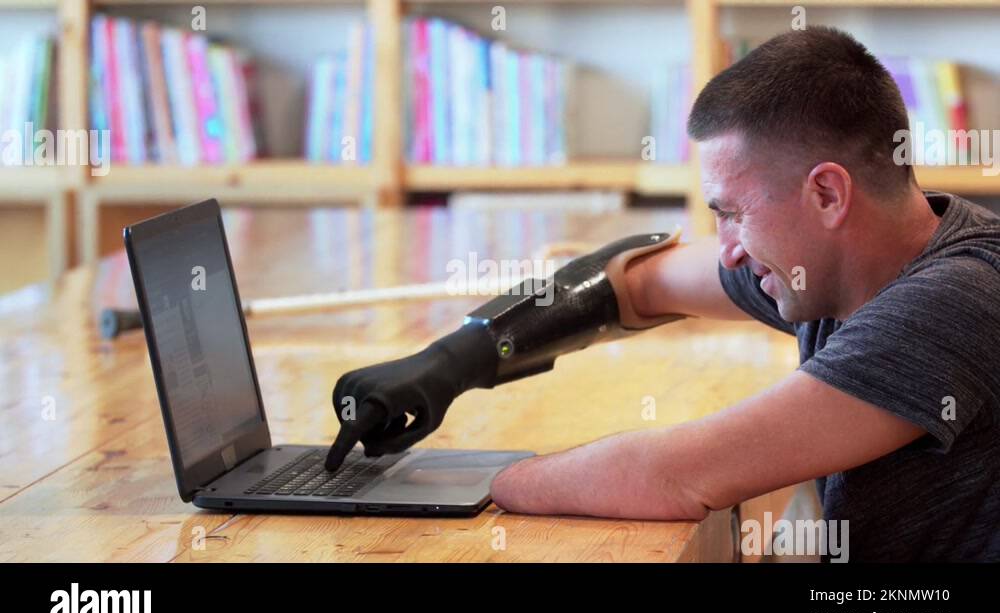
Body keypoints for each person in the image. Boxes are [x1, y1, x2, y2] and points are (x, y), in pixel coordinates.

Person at [326, 27, 1000, 561]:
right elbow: (635, 283)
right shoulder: (844, 262)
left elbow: (676, 475)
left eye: (732, 211)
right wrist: (453, 359)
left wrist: (460, 484)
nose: (727, 246)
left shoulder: (956, 300)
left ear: (827, 193)